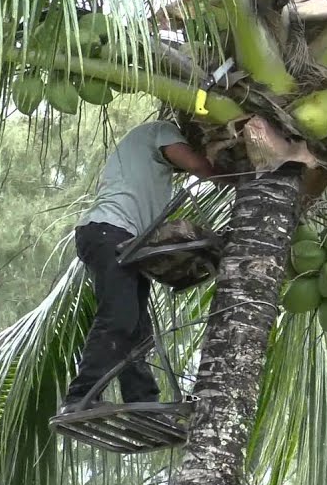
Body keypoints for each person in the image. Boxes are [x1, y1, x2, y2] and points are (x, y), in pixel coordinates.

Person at [59, 118, 218, 415]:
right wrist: (231, 173)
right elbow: (198, 166)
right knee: (119, 317)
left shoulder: (146, 156)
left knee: (137, 326)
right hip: (110, 231)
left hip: (121, 238)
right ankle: (80, 397)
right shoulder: (162, 130)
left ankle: (142, 399)